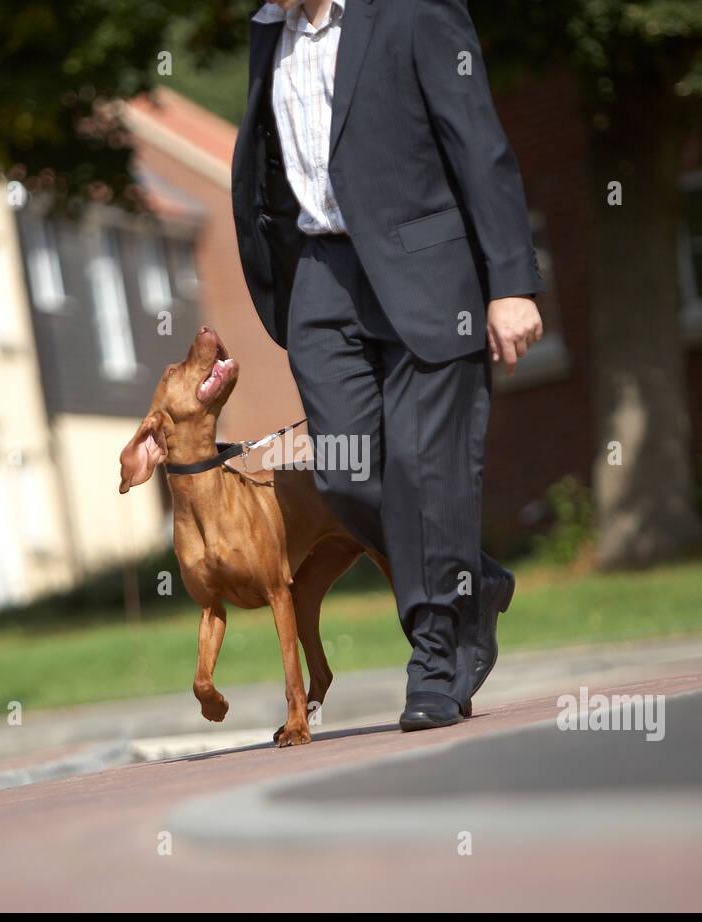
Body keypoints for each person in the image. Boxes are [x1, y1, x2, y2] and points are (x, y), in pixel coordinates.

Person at [231, 0, 544, 730]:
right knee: (342, 471)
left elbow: (479, 143)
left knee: (422, 468)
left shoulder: (412, 13)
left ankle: (436, 661)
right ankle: (475, 577)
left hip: (428, 274)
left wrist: (511, 284)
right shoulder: (268, 34)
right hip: (321, 277)